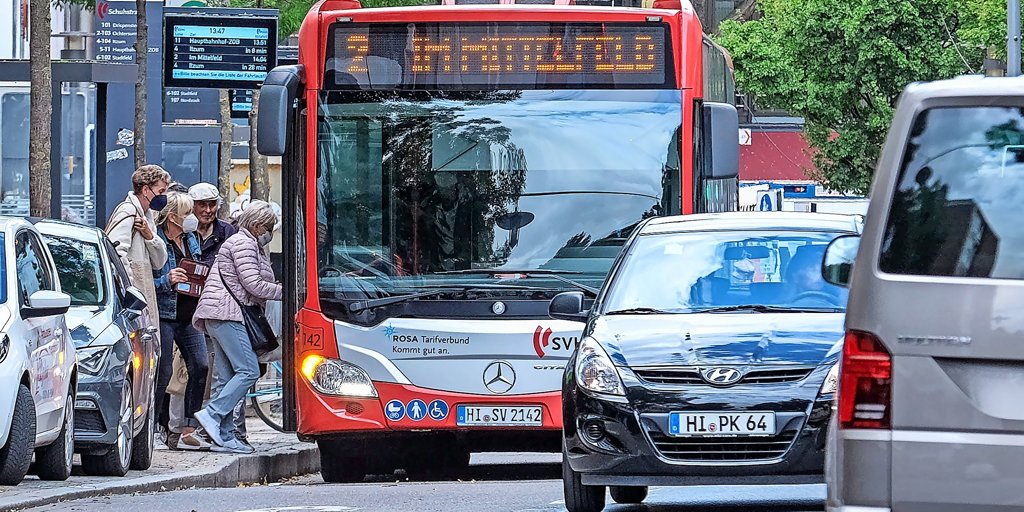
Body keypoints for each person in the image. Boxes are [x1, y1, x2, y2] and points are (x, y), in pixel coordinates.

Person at [192, 201, 282, 454]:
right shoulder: (244, 243)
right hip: (228, 313)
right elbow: (253, 284)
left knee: (226, 376)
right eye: (268, 227)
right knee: (249, 370)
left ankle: (224, 436)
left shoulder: (246, 243)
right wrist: (287, 292)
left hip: (221, 313)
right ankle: (213, 414)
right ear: (255, 225)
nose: (270, 233)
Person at [187, 183, 248, 445]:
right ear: (193, 207)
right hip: (189, 308)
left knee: (229, 372)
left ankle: (230, 431)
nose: (209, 210)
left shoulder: (227, 232)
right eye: (203, 205)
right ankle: (201, 426)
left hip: (220, 308)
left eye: (213, 204)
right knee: (204, 369)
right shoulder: (186, 232)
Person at [153, 192, 211, 451]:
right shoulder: (155, 241)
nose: (192, 218)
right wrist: (167, 280)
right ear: (172, 217)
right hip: (165, 315)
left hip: (189, 315)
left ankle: (189, 428)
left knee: (200, 366)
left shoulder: (191, 239)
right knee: (162, 372)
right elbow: (143, 281)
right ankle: (154, 427)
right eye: (186, 213)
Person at [105, 165, 171, 370]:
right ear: (145, 190)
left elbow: (160, 261)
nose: (164, 196)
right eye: (161, 191)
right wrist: (129, 290)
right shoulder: (128, 213)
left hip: (141, 297)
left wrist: (151, 237)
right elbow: (116, 252)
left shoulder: (147, 216)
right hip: (134, 301)